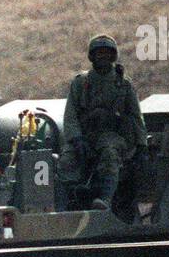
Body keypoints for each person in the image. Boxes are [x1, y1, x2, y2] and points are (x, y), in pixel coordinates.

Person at [59, 34, 146, 212]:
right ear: (92, 57)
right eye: (98, 53)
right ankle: (71, 198)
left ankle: (105, 199)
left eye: (107, 53)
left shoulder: (123, 85)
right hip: (85, 135)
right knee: (67, 160)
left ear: (113, 56)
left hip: (113, 135)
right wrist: (76, 139)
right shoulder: (80, 83)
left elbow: (136, 116)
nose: (103, 57)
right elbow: (71, 115)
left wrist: (141, 144)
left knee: (109, 154)